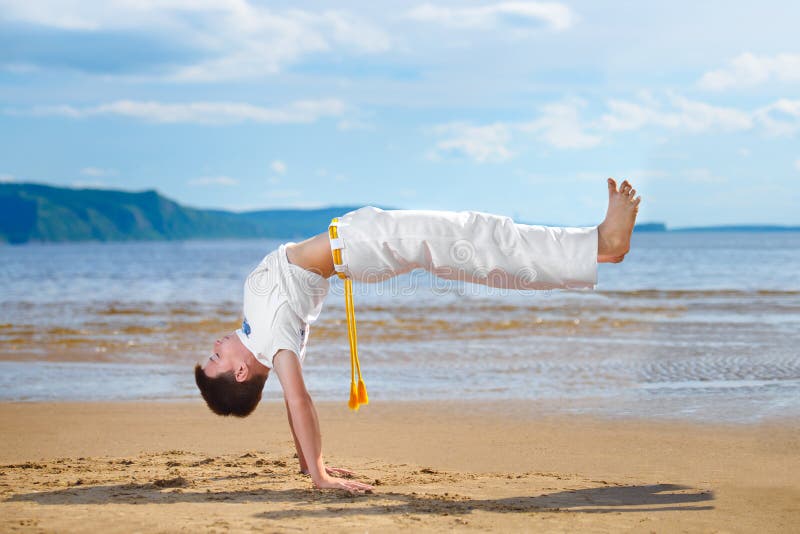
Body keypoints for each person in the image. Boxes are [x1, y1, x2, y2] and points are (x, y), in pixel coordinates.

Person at [195, 177, 642, 492]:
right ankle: (601, 244)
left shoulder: (260, 335)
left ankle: (594, 253)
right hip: (361, 245)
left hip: (357, 241)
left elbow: (293, 408)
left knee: (473, 251)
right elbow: (297, 400)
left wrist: (307, 462)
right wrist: (319, 475)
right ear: (239, 373)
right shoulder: (274, 343)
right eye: (215, 359)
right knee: (475, 235)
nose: (214, 347)